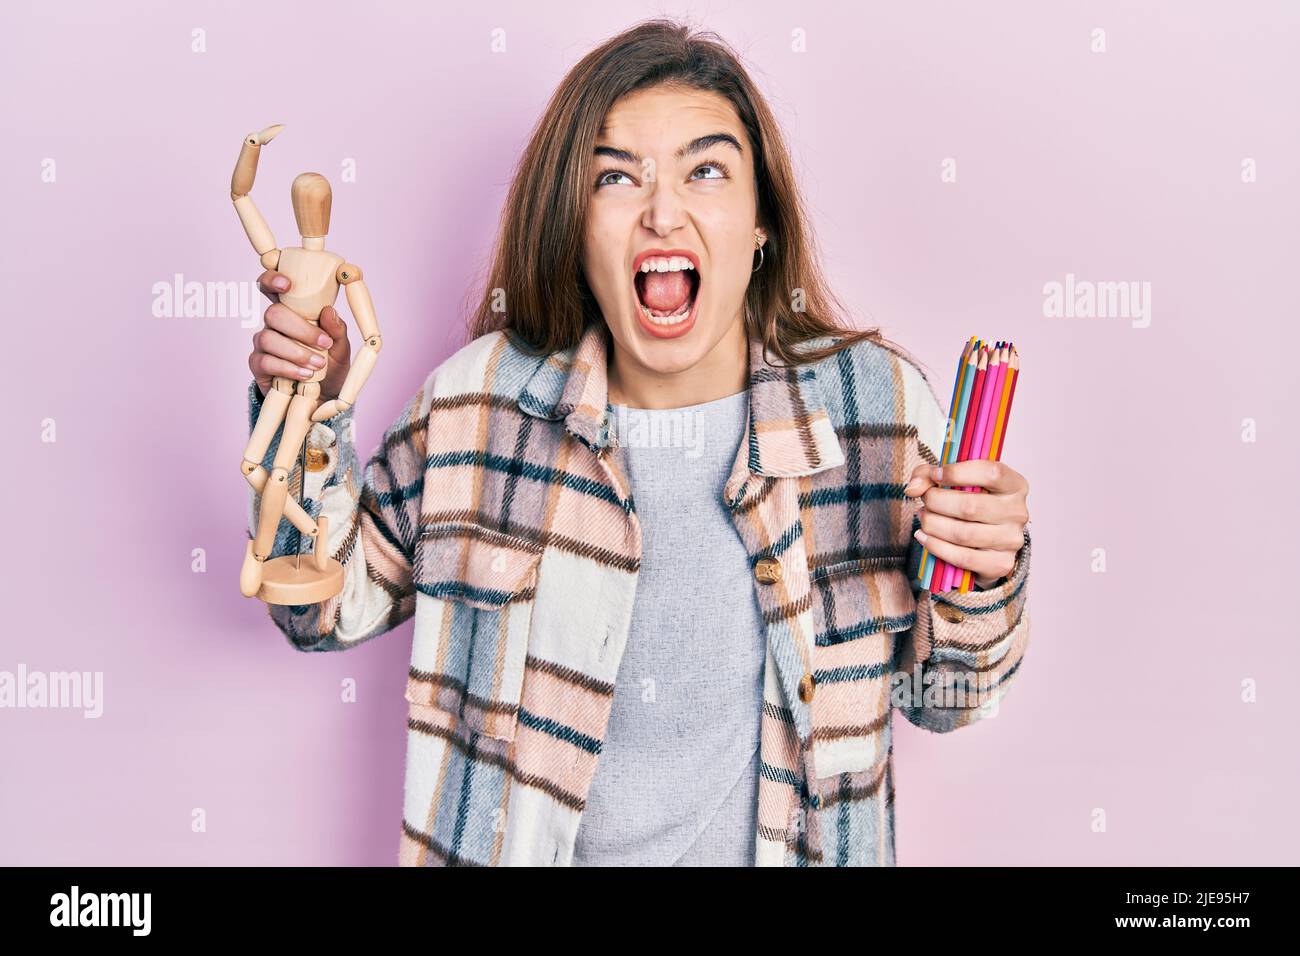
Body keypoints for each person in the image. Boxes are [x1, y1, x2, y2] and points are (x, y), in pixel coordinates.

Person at [243, 18, 1032, 867]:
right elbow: (316, 612)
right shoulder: (477, 406)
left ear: (760, 221)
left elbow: (951, 699)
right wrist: (308, 409)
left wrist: (985, 574)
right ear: (575, 228)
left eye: (705, 170)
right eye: (617, 177)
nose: (663, 211)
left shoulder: (877, 411)